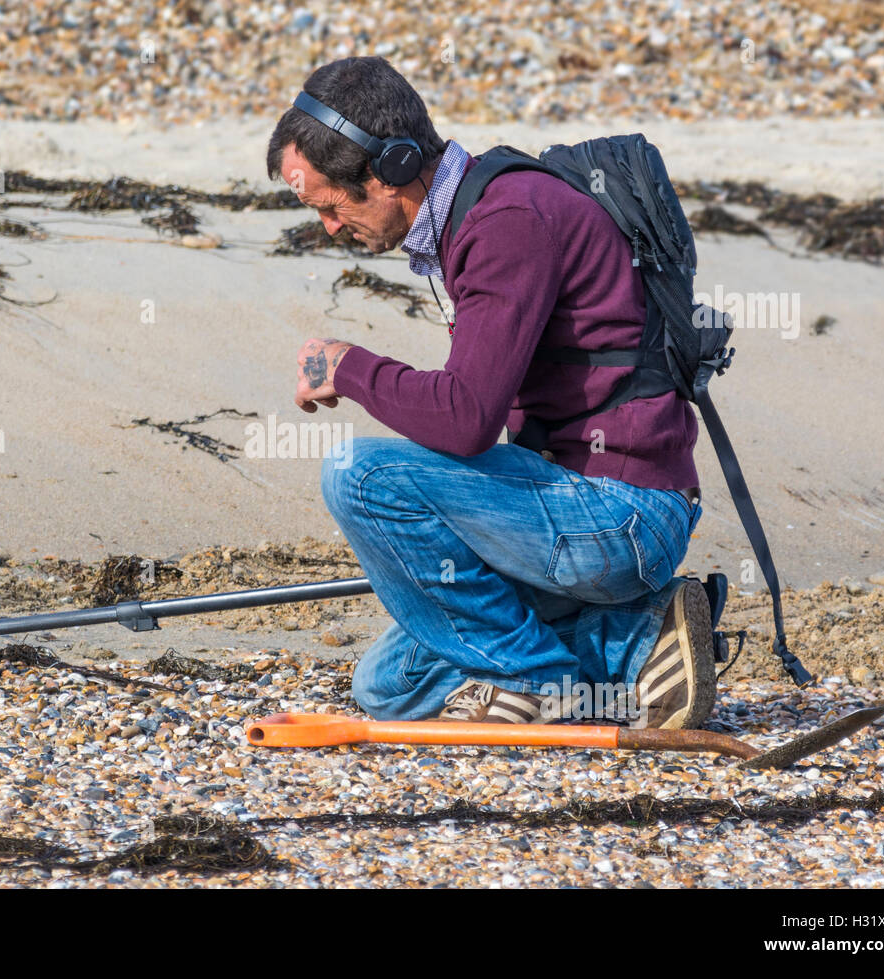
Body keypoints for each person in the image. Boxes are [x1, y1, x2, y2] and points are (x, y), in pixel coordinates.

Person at [264, 56, 716, 730]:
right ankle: (639, 640)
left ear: (390, 169)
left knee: (359, 477)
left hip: (620, 515)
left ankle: (540, 678)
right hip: (566, 511)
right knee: (386, 685)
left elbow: (467, 420)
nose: (330, 227)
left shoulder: (508, 219)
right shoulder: (480, 215)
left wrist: (350, 367)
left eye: (332, 205)